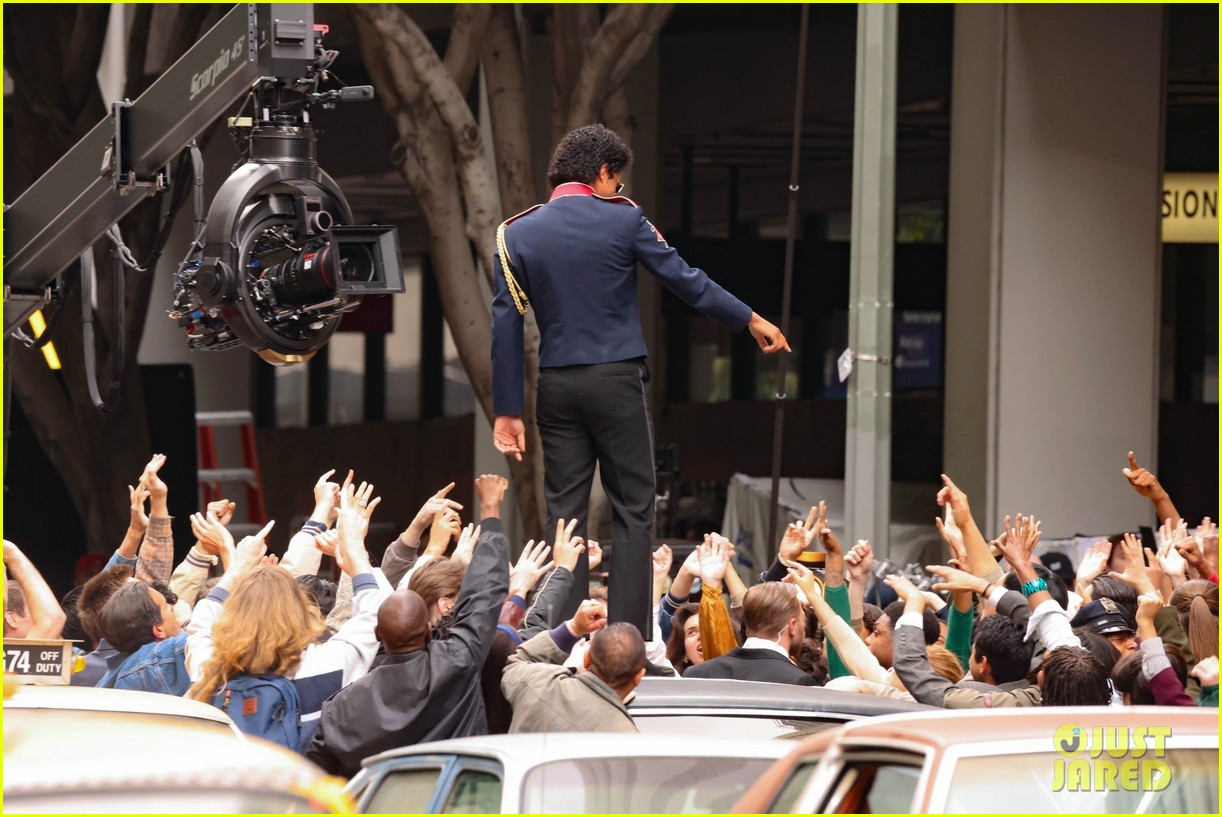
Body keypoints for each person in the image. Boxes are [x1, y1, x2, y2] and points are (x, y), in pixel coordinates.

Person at [491, 123, 790, 634]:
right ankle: (627, 640)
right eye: (617, 182)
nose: (618, 191)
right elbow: (685, 281)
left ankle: (563, 635)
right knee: (633, 509)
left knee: (564, 512)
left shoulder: (513, 232)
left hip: (556, 386)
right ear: (604, 173)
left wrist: (507, 410)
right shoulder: (624, 220)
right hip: (616, 380)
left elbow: (505, 324)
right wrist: (750, 319)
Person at [305, 494, 510, 778]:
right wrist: (491, 513)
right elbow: (487, 592)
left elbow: (317, 776)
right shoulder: (456, 662)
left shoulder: (341, 706)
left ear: (377, 634)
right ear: (428, 629)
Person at [501, 601, 644, 733]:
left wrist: (574, 628)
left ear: (586, 659)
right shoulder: (627, 739)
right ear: (638, 677)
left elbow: (516, 662)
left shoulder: (540, 683)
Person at [684, 582, 814, 686]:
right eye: (803, 621)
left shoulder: (695, 674)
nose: (804, 629)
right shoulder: (798, 682)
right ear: (792, 626)